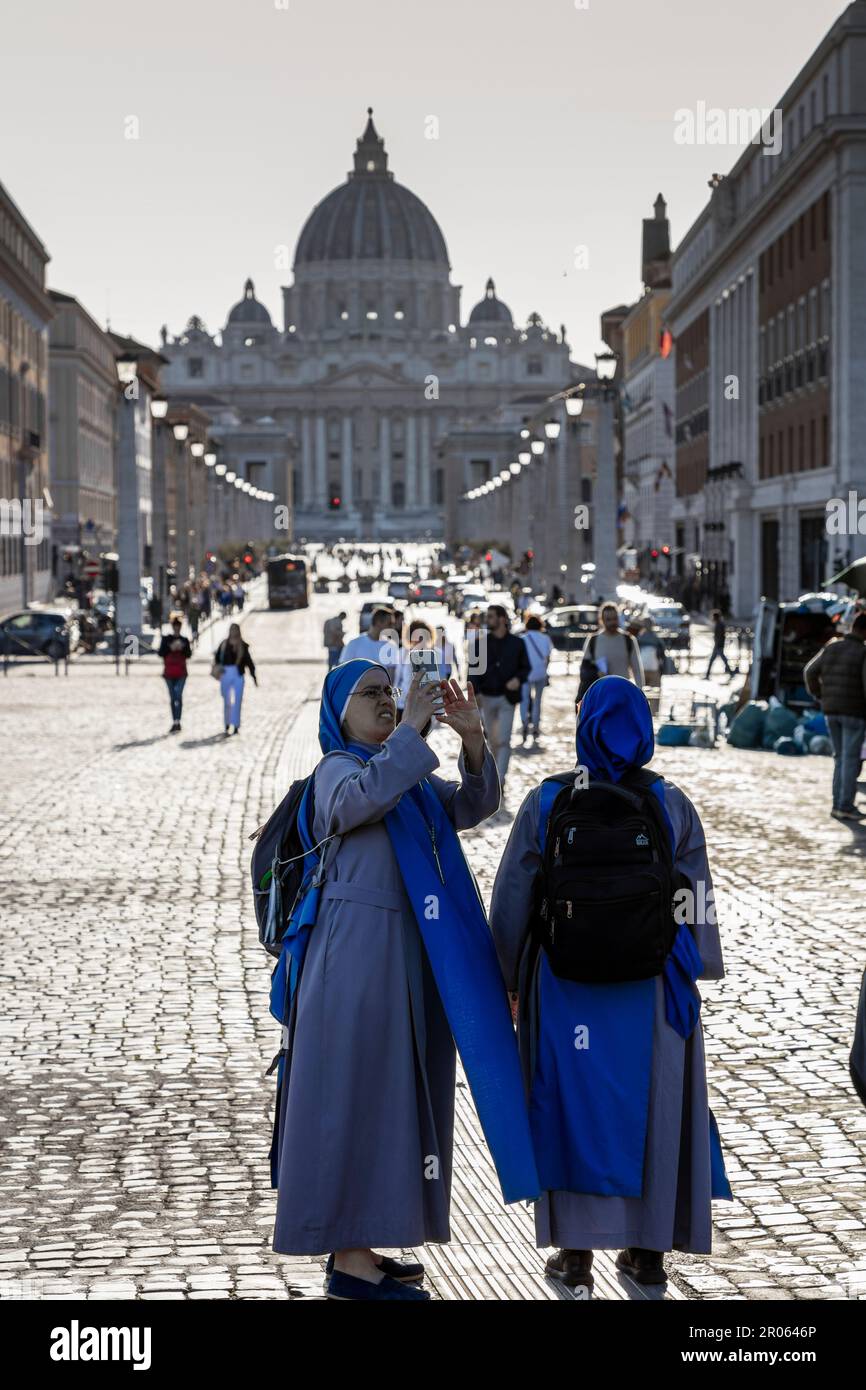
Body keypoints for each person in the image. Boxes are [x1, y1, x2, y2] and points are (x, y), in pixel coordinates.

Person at [270, 660, 539, 1299]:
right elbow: (355, 803)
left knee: (394, 1100)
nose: (387, 700)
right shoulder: (340, 770)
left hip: (398, 961)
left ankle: (367, 1243)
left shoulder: (403, 773)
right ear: (339, 711)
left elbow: (472, 805)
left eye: (390, 691)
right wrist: (410, 734)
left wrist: (473, 739)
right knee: (355, 1100)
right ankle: (350, 1261)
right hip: (355, 967)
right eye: (372, 693)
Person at [489, 675, 731, 1290]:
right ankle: (647, 1251)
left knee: (570, 1108)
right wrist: (693, 965)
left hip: (566, 986)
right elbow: (693, 899)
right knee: (650, 1108)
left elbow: (514, 900)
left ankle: (575, 1252)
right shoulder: (670, 803)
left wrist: (507, 977)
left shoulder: (548, 802)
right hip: (649, 989)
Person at [804, 613, 866, 820]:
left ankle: (837, 804)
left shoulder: (832, 647)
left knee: (840, 759)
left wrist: (820, 695)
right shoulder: (862, 652)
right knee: (849, 760)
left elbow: (809, 671)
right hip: (854, 712)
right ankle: (845, 805)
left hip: (831, 711)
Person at [471, 604, 530, 793]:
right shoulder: (479, 644)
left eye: (491, 616)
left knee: (504, 740)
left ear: (503, 619)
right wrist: (475, 694)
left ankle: (499, 779)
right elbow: (472, 672)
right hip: (486, 697)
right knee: (492, 741)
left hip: (507, 698)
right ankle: (492, 774)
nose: (488, 620)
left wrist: (518, 679)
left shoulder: (517, 643)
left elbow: (526, 668)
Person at [576, 603, 644, 707]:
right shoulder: (593, 640)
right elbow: (584, 669)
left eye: (614, 618)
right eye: (608, 619)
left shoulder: (628, 640)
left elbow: (637, 670)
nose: (612, 622)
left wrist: (640, 695)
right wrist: (596, 673)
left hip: (622, 694)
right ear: (601, 620)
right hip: (599, 696)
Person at [214, 622, 257, 735]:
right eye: (232, 630)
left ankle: (236, 725)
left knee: (237, 701)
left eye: (235, 630)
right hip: (226, 673)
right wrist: (219, 668)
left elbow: (249, 662)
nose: (233, 632)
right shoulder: (224, 644)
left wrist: (254, 677)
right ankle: (227, 723)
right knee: (226, 700)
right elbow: (217, 658)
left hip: (238, 674)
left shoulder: (242, 646)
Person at [519, 614, 553, 745]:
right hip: (540, 673)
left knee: (524, 700)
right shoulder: (545, 638)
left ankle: (524, 724)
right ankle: (536, 726)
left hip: (526, 673)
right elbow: (548, 656)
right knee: (538, 701)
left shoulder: (522, 639)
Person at [340, 607, 399, 679]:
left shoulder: (391, 646)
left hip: (381, 689)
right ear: (378, 622)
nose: (393, 627)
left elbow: (391, 676)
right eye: (390, 624)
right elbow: (343, 671)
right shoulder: (354, 644)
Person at [158, 614, 192, 733]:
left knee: (178, 695)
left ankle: (178, 720)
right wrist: (171, 648)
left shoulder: (184, 640)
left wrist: (182, 648)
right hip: (169, 672)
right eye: (175, 626)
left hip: (181, 672)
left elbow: (189, 655)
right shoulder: (167, 639)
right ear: (172, 627)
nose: (177, 628)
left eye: (178, 626)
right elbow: (160, 653)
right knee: (173, 697)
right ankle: (174, 721)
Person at [636, 617, 666, 717]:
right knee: (655, 695)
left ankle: (642, 714)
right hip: (654, 668)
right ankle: (653, 715)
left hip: (641, 669)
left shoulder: (639, 638)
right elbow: (662, 655)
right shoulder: (656, 638)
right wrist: (663, 669)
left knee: (641, 694)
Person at [705, 609, 734, 680]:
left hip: (718, 645)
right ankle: (707, 674)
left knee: (722, 659)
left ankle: (731, 673)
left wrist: (717, 644)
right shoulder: (719, 624)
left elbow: (720, 636)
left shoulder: (719, 625)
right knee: (717, 660)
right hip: (718, 645)